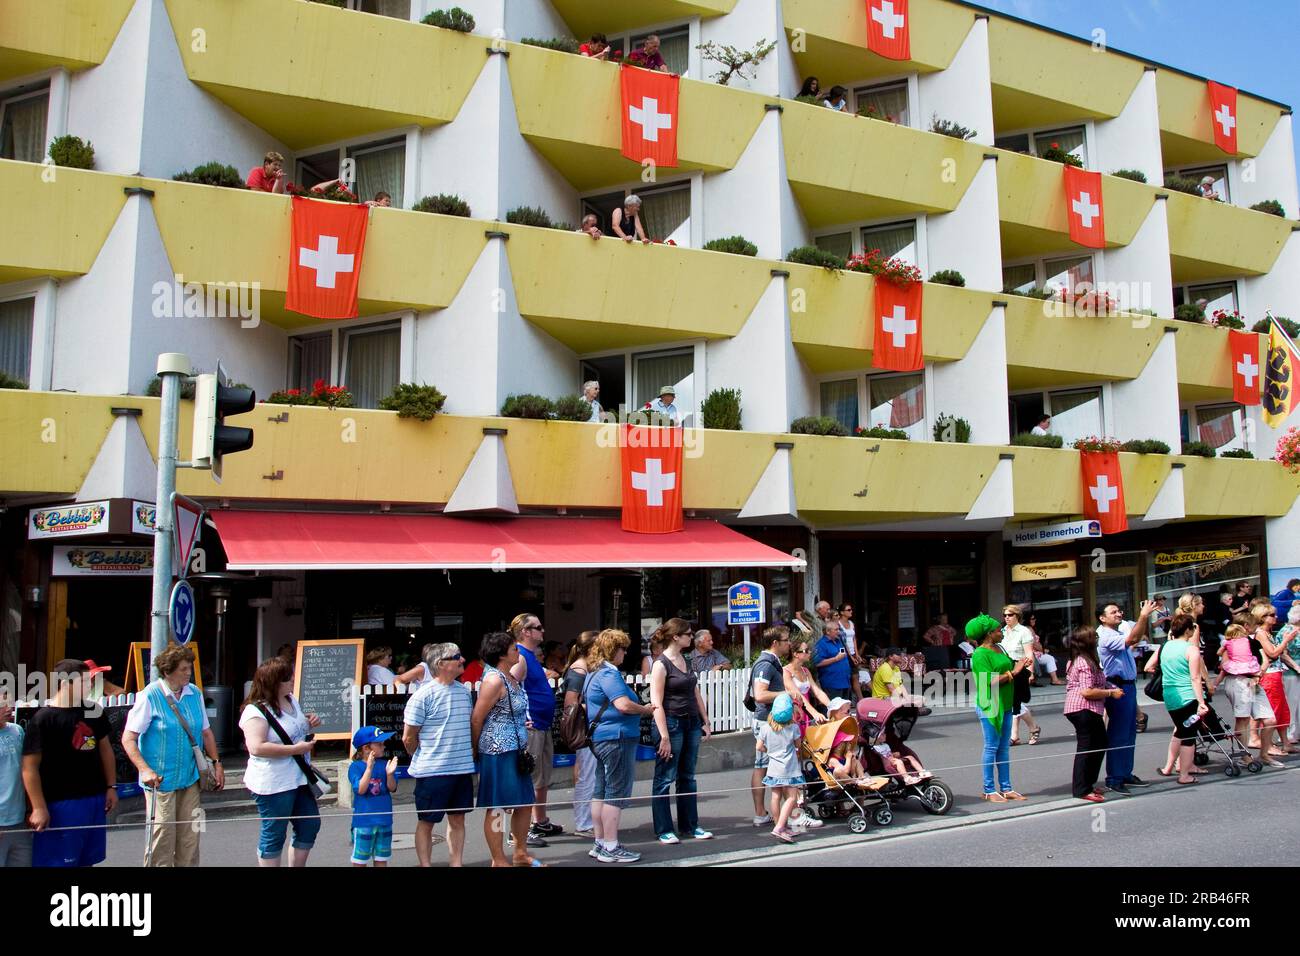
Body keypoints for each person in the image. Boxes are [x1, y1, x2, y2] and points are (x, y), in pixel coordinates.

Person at [121, 644, 223, 867]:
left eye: (190, 668)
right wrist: (144, 769)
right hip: (161, 781)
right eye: (184, 669)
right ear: (168, 672)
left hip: (190, 778)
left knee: (190, 838)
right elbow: (128, 739)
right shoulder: (149, 696)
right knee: (162, 839)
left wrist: (217, 763)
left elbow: (206, 732)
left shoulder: (194, 693)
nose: (189, 672)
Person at [21, 660, 116, 868]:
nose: (90, 685)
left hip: (93, 798)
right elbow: (29, 768)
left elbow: (105, 749)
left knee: (87, 860)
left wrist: (111, 786)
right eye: (84, 681)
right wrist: (38, 807)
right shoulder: (43, 719)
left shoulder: (94, 710)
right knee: (60, 862)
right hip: (61, 803)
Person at [239, 656, 321, 867]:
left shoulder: (291, 699)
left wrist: (309, 723)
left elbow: (294, 728)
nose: (292, 680)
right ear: (273, 682)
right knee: (275, 832)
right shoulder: (255, 711)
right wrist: (295, 749)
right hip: (274, 781)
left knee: (309, 824)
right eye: (287, 678)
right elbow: (256, 747)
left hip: (299, 777)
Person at [584, 628, 656, 863]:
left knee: (600, 790)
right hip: (617, 737)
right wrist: (645, 710)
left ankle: (600, 842)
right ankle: (611, 846)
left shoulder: (593, 673)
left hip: (601, 738)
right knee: (616, 792)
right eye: (623, 649)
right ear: (613, 650)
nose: (625, 653)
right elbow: (623, 705)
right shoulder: (609, 674)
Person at [471, 632, 542, 867]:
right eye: (514, 648)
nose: (518, 651)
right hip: (498, 750)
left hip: (517, 748)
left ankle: (520, 852)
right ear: (501, 654)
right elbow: (477, 718)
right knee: (498, 805)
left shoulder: (509, 677)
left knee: (524, 801)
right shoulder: (494, 680)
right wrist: (475, 750)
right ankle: (498, 858)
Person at [402, 642, 475, 867]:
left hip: (461, 768)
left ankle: (456, 863)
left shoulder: (464, 691)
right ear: (442, 664)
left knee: (458, 818)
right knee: (427, 821)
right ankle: (426, 864)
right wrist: (422, 755)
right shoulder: (423, 695)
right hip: (433, 771)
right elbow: (408, 737)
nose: (462, 660)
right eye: (457, 656)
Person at [648, 619, 713, 845]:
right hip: (672, 723)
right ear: (676, 636)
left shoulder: (687, 660)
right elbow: (656, 702)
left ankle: (690, 825)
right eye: (687, 634)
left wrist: (704, 719)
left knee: (687, 777)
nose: (691, 637)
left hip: (691, 723)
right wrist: (664, 735)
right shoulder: (660, 664)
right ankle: (664, 828)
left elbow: (695, 692)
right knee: (665, 777)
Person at [1096, 599, 1155, 793]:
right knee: (1119, 733)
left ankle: (1125, 773)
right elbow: (1132, 640)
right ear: (1102, 618)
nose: (1118, 614)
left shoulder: (1117, 632)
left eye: (1119, 611)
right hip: (1117, 687)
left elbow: (1133, 638)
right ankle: (1114, 778)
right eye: (1113, 612)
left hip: (1127, 686)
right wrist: (1144, 615)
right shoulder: (1105, 636)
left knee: (1129, 733)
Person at [968, 616, 1029, 802]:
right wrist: (1015, 671)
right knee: (991, 747)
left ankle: (1006, 787)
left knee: (1003, 748)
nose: (1001, 631)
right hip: (990, 704)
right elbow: (989, 682)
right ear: (988, 634)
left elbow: (1007, 666)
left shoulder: (999, 648)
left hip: (1006, 702)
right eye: (997, 630)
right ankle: (988, 789)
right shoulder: (979, 654)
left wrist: (1020, 665)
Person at [1063, 627, 1120, 802]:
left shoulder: (1084, 659)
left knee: (1099, 743)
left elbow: (1096, 683)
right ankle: (1081, 789)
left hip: (1087, 708)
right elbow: (1087, 691)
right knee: (1087, 748)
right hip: (1083, 708)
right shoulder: (1083, 662)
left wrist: (1110, 687)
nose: (1097, 638)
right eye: (1094, 636)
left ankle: (1088, 783)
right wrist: (1110, 694)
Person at [1155, 614, 1212, 784]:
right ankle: (1184, 775)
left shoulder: (1164, 646)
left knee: (1180, 730)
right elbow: (1195, 678)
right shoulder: (1191, 649)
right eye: (1193, 628)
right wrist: (1201, 702)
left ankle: (1168, 767)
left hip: (1170, 695)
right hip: (1187, 695)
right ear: (1188, 630)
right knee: (1188, 735)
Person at [1213, 621, 1274, 768]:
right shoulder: (1231, 644)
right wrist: (1215, 683)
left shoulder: (1252, 643)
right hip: (1239, 681)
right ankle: (1244, 755)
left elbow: (1265, 661)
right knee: (1243, 719)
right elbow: (1224, 666)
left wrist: (1257, 676)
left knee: (1270, 720)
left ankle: (1264, 754)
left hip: (1254, 681)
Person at [749, 626, 792, 827]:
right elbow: (760, 694)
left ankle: (766, 813)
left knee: (765, 766)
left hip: (770, 720)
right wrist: (786, 695)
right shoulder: (765, 664)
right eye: (785, 640)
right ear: (775, 643)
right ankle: (776, 814)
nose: (789, 643)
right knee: (768, 767)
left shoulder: (771, 662)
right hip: (767, 721)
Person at [561, 631, 599, 837]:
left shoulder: (583, 668)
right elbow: (571, 703)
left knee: (589, 774)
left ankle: (587, 819)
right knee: (587, 775)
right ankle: (583, 823)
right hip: (584, 729)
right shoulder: (579, 670)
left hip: (589, 728)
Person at [754, 693, 802, 843]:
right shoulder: (793, 728)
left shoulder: (765, 728)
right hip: (789, 768)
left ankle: (778, 824)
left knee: (776, 796)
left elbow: (759, 747)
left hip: (773, 768)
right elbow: (798, 745)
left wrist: (770, 751)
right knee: (792, 797)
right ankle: (780, 827)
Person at [348, 727, 398, 868]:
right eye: (379, 744)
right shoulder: (356, 767)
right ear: (366, 748)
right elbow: (361, 789)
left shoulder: (384, 764)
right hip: (364, 821)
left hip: (384, 820)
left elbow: (392, 787)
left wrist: (389, 774)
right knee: (360, 860)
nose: (384, 746)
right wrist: (369, 769)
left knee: (382, 858)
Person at [1252, 604, 1297, 761]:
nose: (1275, 617)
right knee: (1273, 711)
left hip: (1276, 674)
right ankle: (1269, 745)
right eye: (1272, 615)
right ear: (1263, 617)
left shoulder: (1268, 632)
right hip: (1268, 676)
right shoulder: (1260, 633)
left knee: (1283, 710)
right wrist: (1286, 640)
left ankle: (1285, 742)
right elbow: (1273, 653)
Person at [1001, 605, 1041, 746]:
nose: (1007, 617)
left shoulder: (1024, 631)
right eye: (1005, 615)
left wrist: (1030, 672)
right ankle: (1015, 735)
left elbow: (1029, 653)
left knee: (1014, 702)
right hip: (1007, 670)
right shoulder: (1003, 631)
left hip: (1020, 669)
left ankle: (1033, 727)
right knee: (1014, 703)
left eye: (1010, 615)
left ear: (1017, 616)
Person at [0, 693, 31, 867]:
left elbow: (27, 772)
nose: (8, 708)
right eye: (2, 705)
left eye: (8, 704)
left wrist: (30, 808)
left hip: (19, 819)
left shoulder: (17, 730)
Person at [783, 636, 831, 731]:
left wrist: (833, 706)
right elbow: (798, 695)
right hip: (794, 713)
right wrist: (815, 713)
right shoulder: (785, 672)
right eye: (806, 650)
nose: (809, 652)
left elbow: (817, 692)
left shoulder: (805, 671)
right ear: (796, 654)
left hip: (806, 711)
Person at [813, 618, 853, 703]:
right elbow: (818, 663)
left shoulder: (839, 641)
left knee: (845, 710)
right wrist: (835, 659)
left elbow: (842, 653)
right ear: (828, 632)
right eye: (836, 630)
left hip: (845, 682)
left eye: (838, 629)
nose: (838, 631)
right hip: (832, 683)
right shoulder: (821, 644)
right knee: (835, 710)